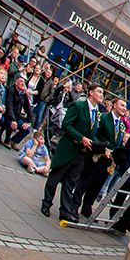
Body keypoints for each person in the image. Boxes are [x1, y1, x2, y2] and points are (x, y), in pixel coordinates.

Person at [42, 82, 103, 222]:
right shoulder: (78, 105)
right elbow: (66, 125)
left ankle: (64, 211)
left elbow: (92, 132)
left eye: (102, 93)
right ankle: (46, 203)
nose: (101, 95)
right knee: (55, 178)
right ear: (91, 92)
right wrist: (81, 138)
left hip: (81, 154)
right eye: (99, 91)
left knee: (70, 183)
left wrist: (97, 145)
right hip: (69, 149)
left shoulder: (97, 112)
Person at [75, 98, 126, 218]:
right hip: (97, 156)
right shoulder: (103, 117)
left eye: (125, 106)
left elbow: (117, 142)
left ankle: (87, 206)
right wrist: (104, 147)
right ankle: (74, 205)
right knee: (85, 181)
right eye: (122, 105)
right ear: (114, 105)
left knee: (97, 185)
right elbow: (94, 134)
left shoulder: (121, 125)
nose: (124, 108)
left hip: (108, 161)